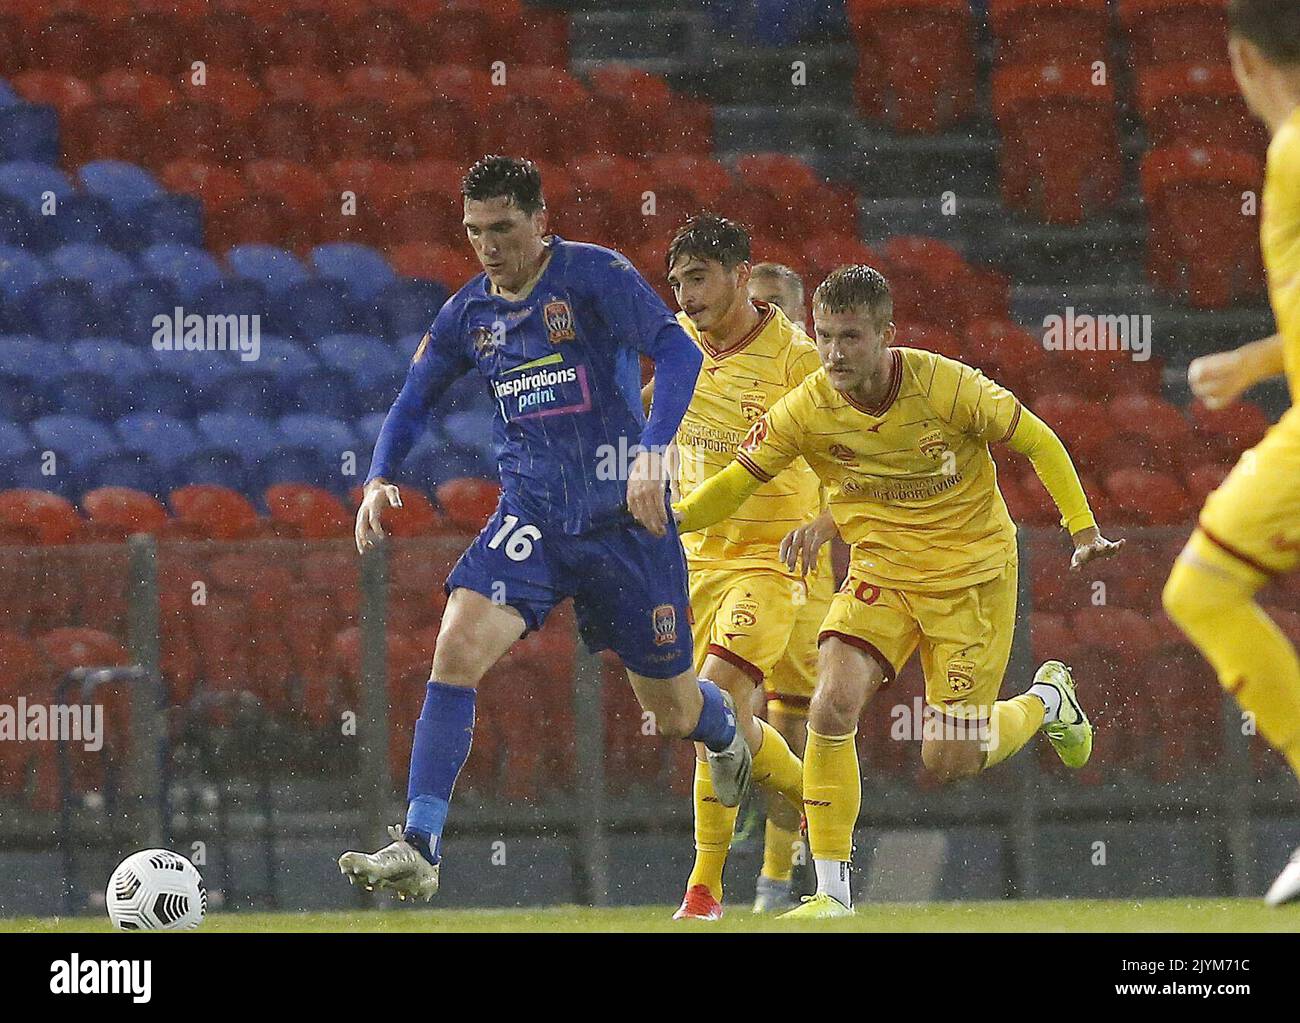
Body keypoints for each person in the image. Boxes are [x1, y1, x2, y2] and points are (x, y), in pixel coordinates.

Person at [337, 156, 750, 901]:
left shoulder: (595, 276)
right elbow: (413, 398)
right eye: (473, 231)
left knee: (673, 708)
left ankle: (723, 733)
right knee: (456, 645)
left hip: (627, 522)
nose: (488, 245)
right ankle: (423, 843)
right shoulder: (469, 314)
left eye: (502, 228)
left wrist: (652, 456)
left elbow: (680, 350)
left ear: (540, 220)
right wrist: (378, 475)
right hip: (532, 518)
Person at [674, 264, 1123, 917]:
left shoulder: (946, 386)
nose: (833, 352)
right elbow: (739, 479)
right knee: (831, 704)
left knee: (950, 756)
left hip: (969, 576)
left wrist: (1082, 529)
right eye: (825, 335)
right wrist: (675, 518)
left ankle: (1048, 698)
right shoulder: (808, 404)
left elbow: (1037, 438)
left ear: (887, 333)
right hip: (881, 570)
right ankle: (831, 892)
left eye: (851, 337)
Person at [1162, 0, 1300, 907]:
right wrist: (1258, 360)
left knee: (1202, 589)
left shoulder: (1291, 148)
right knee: (1202, 587)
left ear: (1247, 59)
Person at [655, 217, 831, 918]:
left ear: (737, 273)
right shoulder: (679, 340)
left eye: (697, 277)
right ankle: (817, 809)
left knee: (719, 696)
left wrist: (827, 521)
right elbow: (655, 403)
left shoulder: (798, 360)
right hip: (695, 563)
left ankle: (707, 886)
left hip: (773, 560)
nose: (685, 294)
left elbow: (854, 457)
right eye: (676, 282)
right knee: (705, 718)